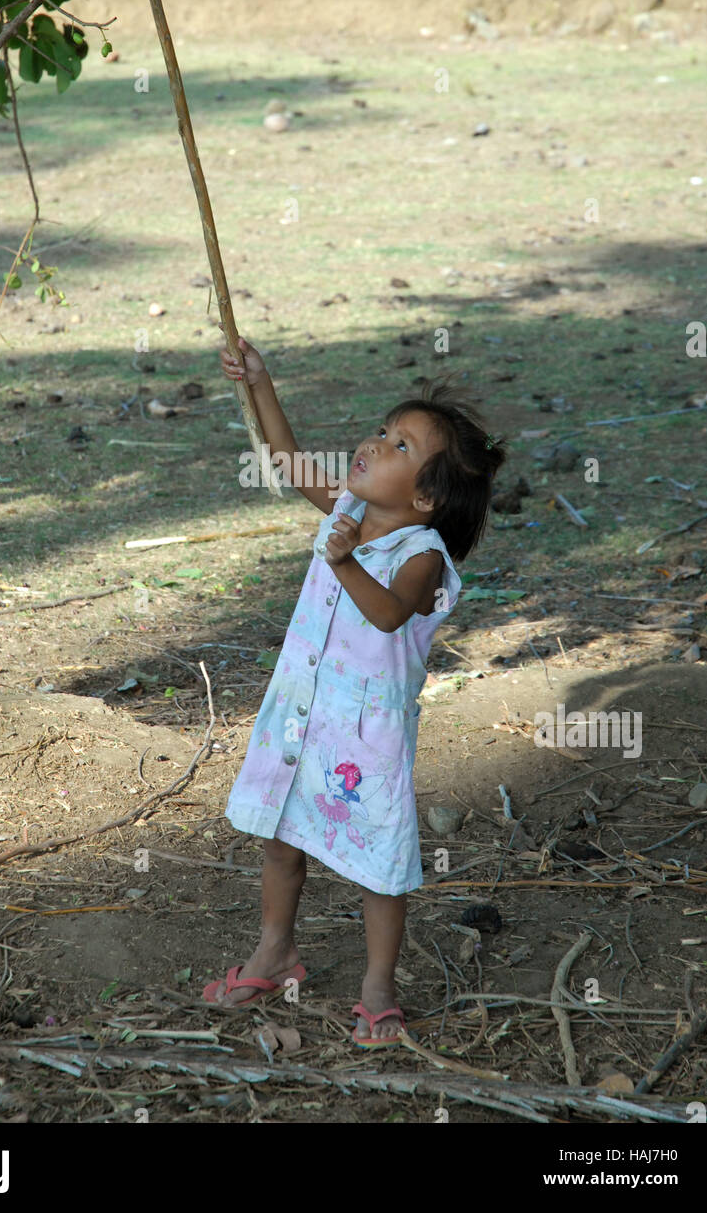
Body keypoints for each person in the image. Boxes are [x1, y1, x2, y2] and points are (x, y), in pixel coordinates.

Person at [203, 337, 506, 1046]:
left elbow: (390, 613)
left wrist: (342, 563)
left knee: (378, 865)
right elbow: (285, 458)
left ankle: (378, 986)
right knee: (280, 837)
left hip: (364, 739)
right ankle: (274, 952)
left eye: (399, 444)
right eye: (381, 429)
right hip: (301, 714)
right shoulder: (344, 509)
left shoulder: (422, 556)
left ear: (425, 497)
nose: (374, 442)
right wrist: (260, 381)